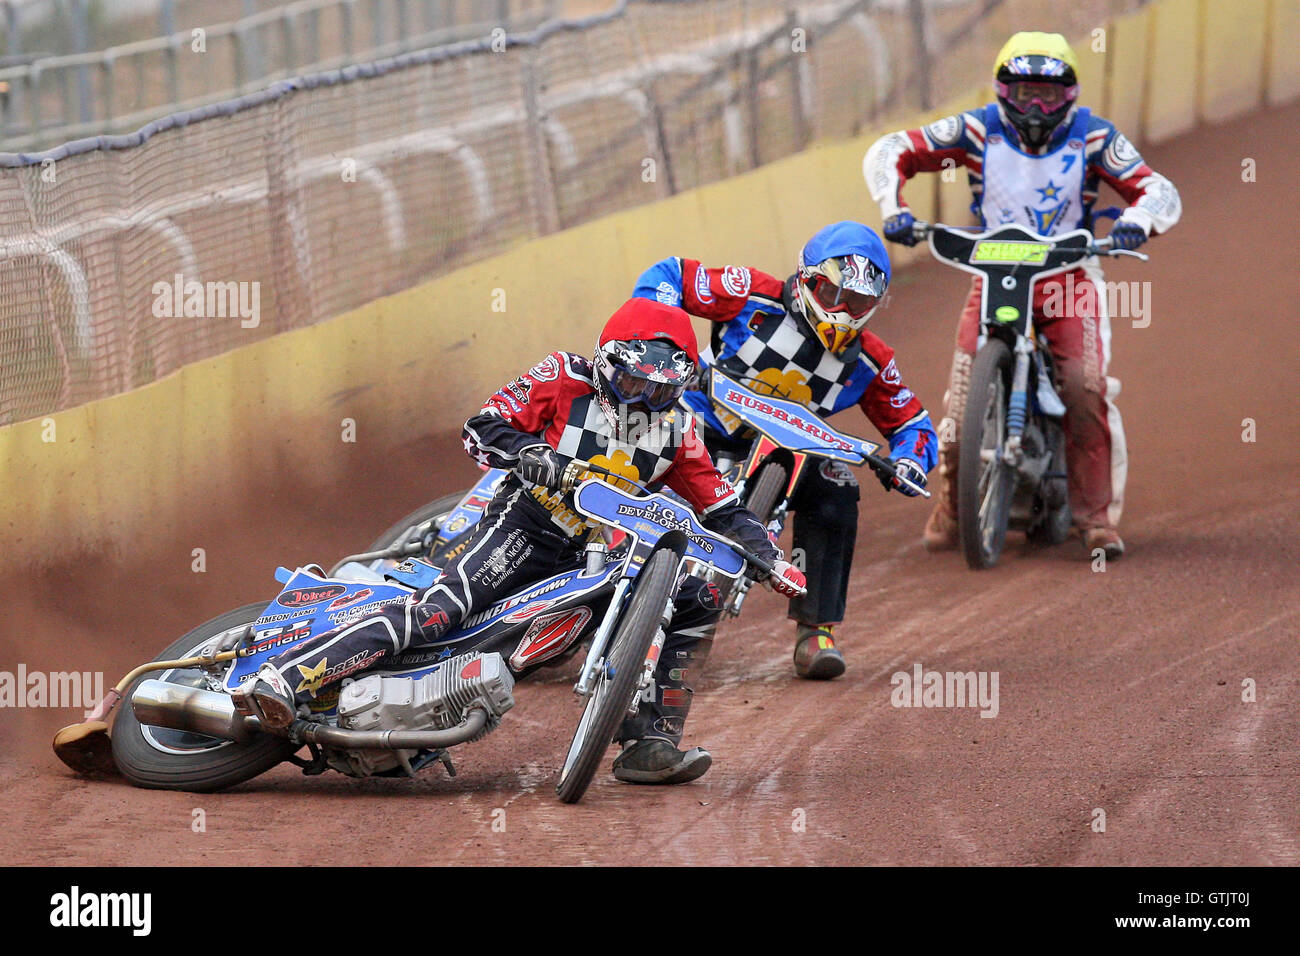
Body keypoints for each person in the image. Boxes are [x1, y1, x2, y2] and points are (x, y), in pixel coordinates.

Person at [234, 297, 806, 785]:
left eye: (658, 392)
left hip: (598, 557)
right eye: (632, 382)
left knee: (693, 602)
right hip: (523, 524)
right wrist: (537, 456)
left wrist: (772, 559)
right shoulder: (563, 374)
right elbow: (481, 427)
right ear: (608, 364)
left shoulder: (680, 430)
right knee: (440, 613)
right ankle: (283, 676)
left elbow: (722, 506)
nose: (642, 400)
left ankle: (649, 744)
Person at [863, 31, 1182, 559]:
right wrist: (892, 207)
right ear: (1001, 91)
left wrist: (1138, 219)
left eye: (1049, 95)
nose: (1036, 107)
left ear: (1071, 95)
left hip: (1067, 274)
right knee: (962, 399)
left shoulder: (1095, 137)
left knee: (1084, 384)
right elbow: (893, 148)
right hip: (992, 270)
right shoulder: (975, 129)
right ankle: (955, 505)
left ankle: (1094, 518)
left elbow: (1158, 188)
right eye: (1025, 93)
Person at [633, 221, 937, 680]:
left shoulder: (872, 359)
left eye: (859, 302)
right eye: (834, 294)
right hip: (701, 424)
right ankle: (581, 572)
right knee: (628, 446)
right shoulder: (752, 294)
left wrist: (912, 459)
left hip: (790, 453)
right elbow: (669, 274)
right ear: (808, 278)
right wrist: (666, 341)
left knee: (837, 487)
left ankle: (817, 630)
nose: (844, 312)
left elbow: (911, 421)